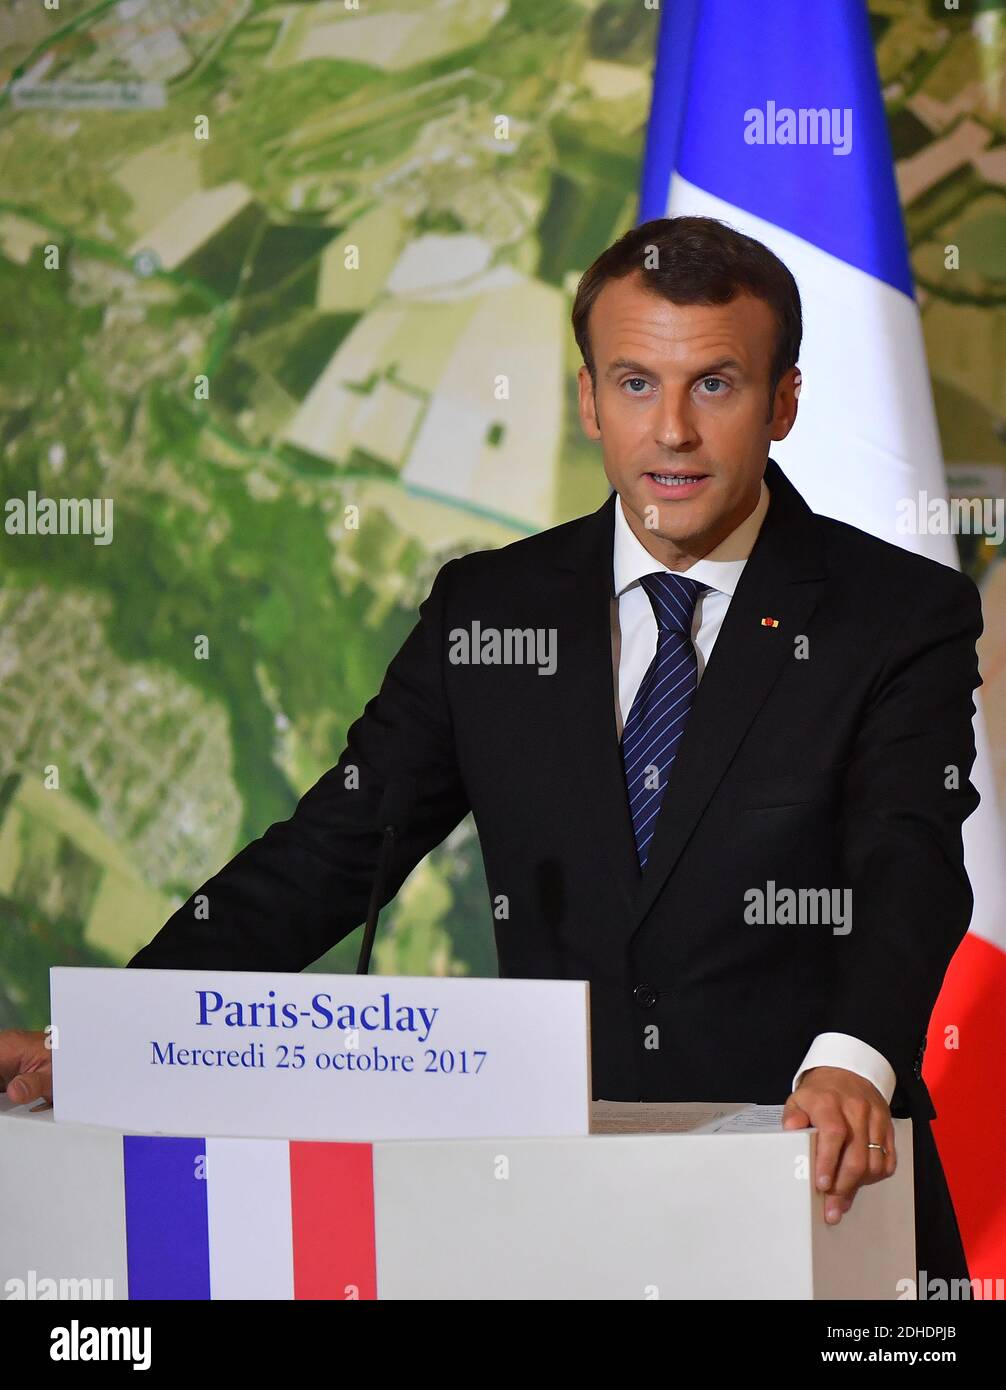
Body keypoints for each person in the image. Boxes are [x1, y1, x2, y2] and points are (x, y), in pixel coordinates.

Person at [1, 216, 981, 1288]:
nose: (672, 434)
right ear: (587, 401)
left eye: (714, 384)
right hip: (560, 1206)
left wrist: (852, 1057)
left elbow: (910, 860)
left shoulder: (897, 613)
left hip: (820, 1185)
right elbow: (330, 848)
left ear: (782, 403)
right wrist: (110, 1036)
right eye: (635, 383)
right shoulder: (490, 608)